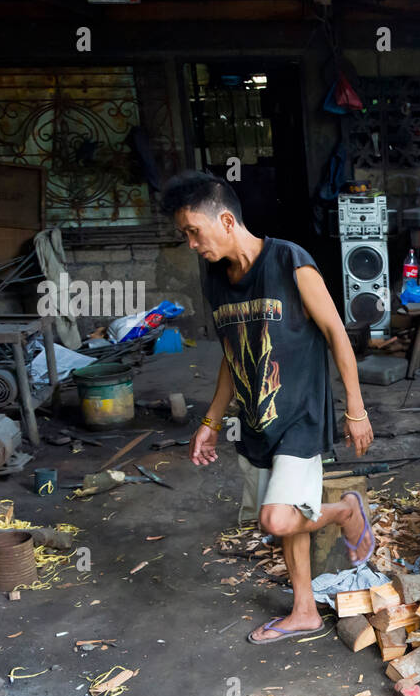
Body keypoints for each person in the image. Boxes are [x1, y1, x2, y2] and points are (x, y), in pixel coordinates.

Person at [160, 170, 376, 645]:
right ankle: (304, 612)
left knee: (275, 518)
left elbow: (338, 334)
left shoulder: (290, 261)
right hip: (255, 420)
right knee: (287, 521)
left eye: (194, 231)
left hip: (300, 414)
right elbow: (230, 355)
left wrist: (355, 409)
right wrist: (211, 422)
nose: (192, 243)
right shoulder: (217, 280)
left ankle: (344, 511)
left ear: (226, 220)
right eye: (185, 235)